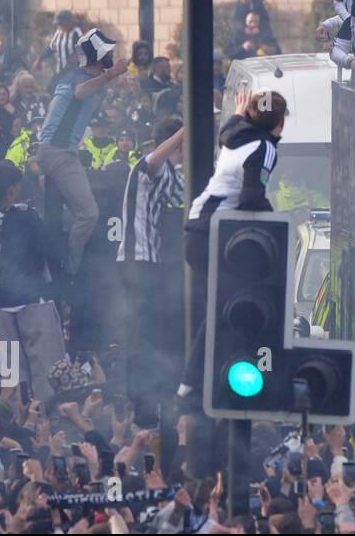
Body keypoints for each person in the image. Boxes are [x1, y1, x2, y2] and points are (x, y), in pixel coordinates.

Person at [179, 91, 287, 403]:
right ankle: (192, 383)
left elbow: (234, 124)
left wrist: (241, 114)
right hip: (216, 233)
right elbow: (252, 197)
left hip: (196, 228)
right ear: (280, 124)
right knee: (224, 312)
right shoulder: (264, 146)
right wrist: (277, 227)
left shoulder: (232, 135)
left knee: (223, 309)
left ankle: (203, 381)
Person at [35, 28, 129, 277]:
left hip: (58, 152)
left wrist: (117, 79)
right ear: (98, 54)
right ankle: (70, 269)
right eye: (108, 50)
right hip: (59, 152)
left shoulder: (83, 76)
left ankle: (56, 260)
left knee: (67, 213)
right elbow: (80, 92)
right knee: (89, 214)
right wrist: (113, 74)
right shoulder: (77, 79)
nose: (112, 54)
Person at [0, 161, 68, 401]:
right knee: (49, 372)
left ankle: (22, 427)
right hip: (34, 304)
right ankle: (50, 425)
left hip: (3, 311)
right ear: (13, 188)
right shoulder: (28, 217)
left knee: (16, 380)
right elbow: (52, 253)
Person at [117, 116, 186, 424]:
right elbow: (155, 159)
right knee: (142, 332)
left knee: (157, 330)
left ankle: (161, 394)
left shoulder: (172, 175)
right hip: (137, 260)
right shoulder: (146, 167)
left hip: (155, 263)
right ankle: (141, 401)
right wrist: (189, 128)